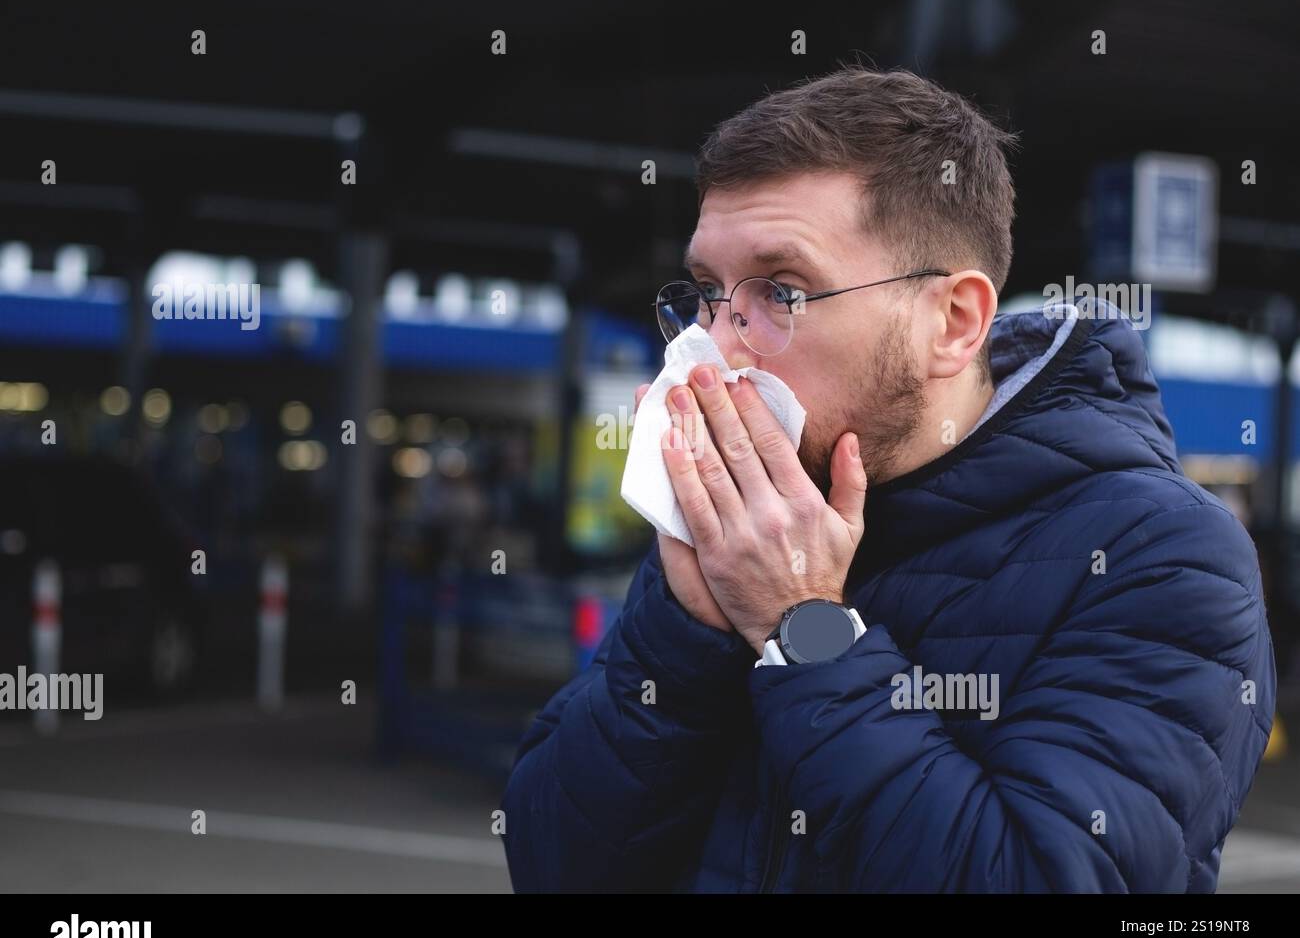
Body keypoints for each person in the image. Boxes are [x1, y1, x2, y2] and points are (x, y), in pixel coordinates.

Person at [501, 65, 1276, 892]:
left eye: (782, 292)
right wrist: (683, 637)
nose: (717, 348)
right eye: (705, 293)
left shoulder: (1162, 554)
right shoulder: (748, 528)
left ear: (952, 322)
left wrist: (806, 629)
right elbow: (555, 863)